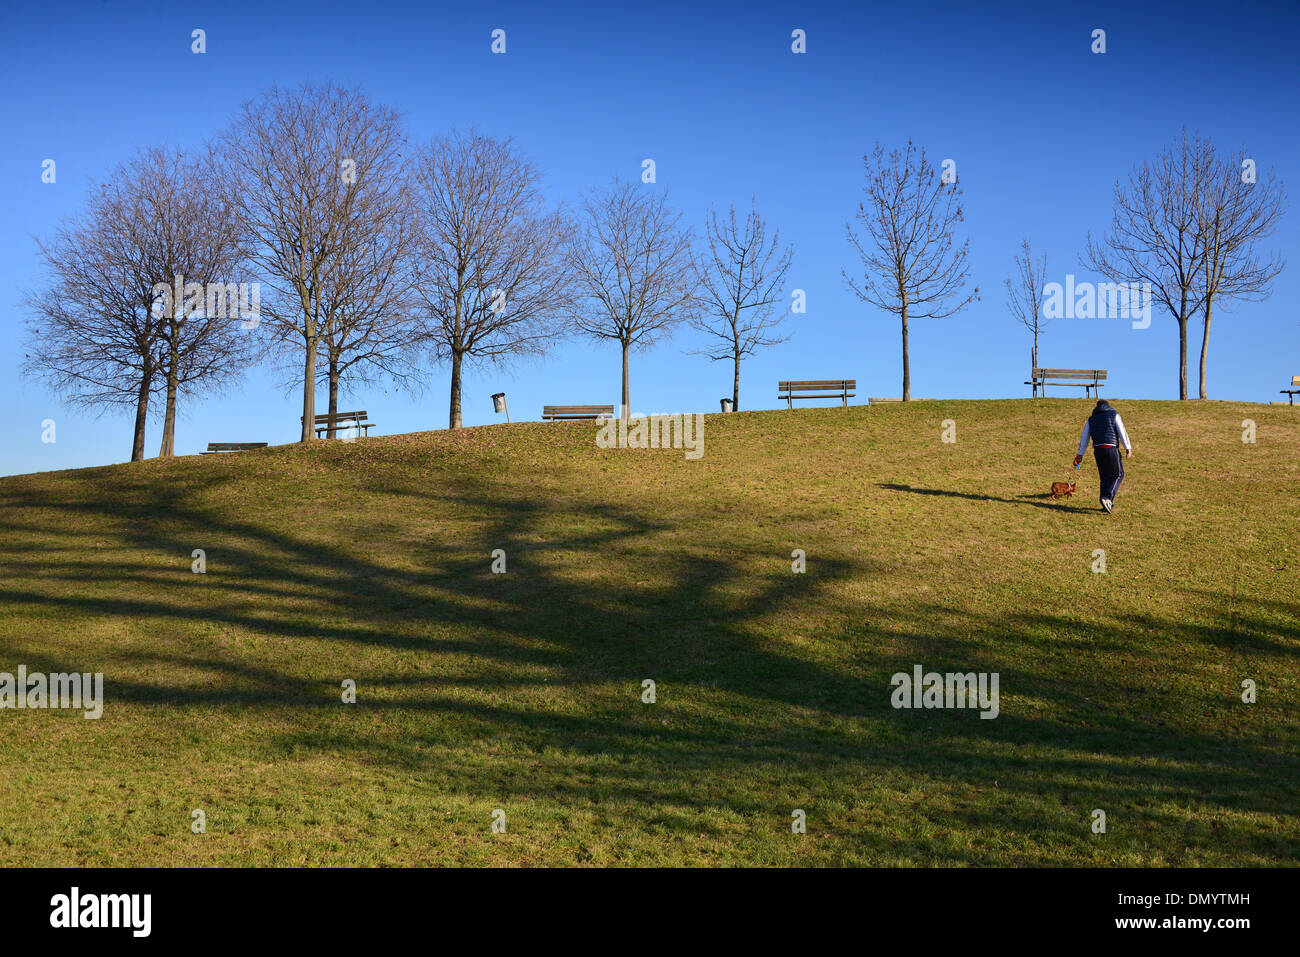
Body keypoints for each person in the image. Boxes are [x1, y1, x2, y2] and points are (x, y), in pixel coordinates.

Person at [1073, 400, 1132, 513]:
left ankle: (1105, 503)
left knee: (1104, 477)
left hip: (1098, 450)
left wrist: (1080, 454)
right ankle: (1107, 498)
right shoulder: (1114, 414)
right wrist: (1127, 447)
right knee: (1118, 474)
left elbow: (1084, 437)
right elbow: (1121, 431)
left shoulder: (1091, 419)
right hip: (1111, 448)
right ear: (1108, 405)